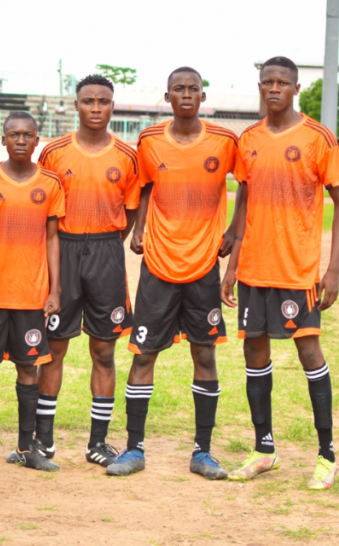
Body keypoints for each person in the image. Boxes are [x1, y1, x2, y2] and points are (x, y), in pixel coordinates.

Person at [222, 56, 339, 490]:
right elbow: (243, 198)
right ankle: (264, 450)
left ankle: (327, 456)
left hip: (297, 270)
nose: (273, 88)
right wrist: (232, 263)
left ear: (296, 88)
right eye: (267, 82)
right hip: (254, 268)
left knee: (309, 354)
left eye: (282, 83)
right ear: (260, 86)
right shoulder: (249, 139)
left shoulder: (318, 137)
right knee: (254, 356)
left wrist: (331, 270)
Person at [108, 67, 239, 479]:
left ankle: (203, 452)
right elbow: (146, 184)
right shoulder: (149, 140)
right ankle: (134, 449)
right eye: (178, 89)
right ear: (167, 97)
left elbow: (248, 183)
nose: (186, 95)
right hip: (159, 264)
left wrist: (234, 229)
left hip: (203, 265)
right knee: (143, 353)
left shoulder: (224, 141)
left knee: (204, 352)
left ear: (203, 96)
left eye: (193, 89)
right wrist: (141, 227)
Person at [37, 74, 140, 469]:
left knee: (104, 350)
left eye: (103, 101)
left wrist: (103, 243)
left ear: (112, 106)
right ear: (77, 104)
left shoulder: (126, 156)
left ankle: (98, 443)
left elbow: (130, 211)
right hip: (62, 251)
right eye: (88, 101)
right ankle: (43, 442)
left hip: (105, 253)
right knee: (54, 348)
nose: (96, 108)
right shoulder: (54, 152)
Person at [0, 111, 64, 473]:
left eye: (28, 135)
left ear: (38, 140)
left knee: (29, 369)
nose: (21, 140)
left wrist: (55, 289)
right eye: (14, 135)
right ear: (2, 139)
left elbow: (52, 238)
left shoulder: (51, 183)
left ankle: (26, 447)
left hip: (31, 295)